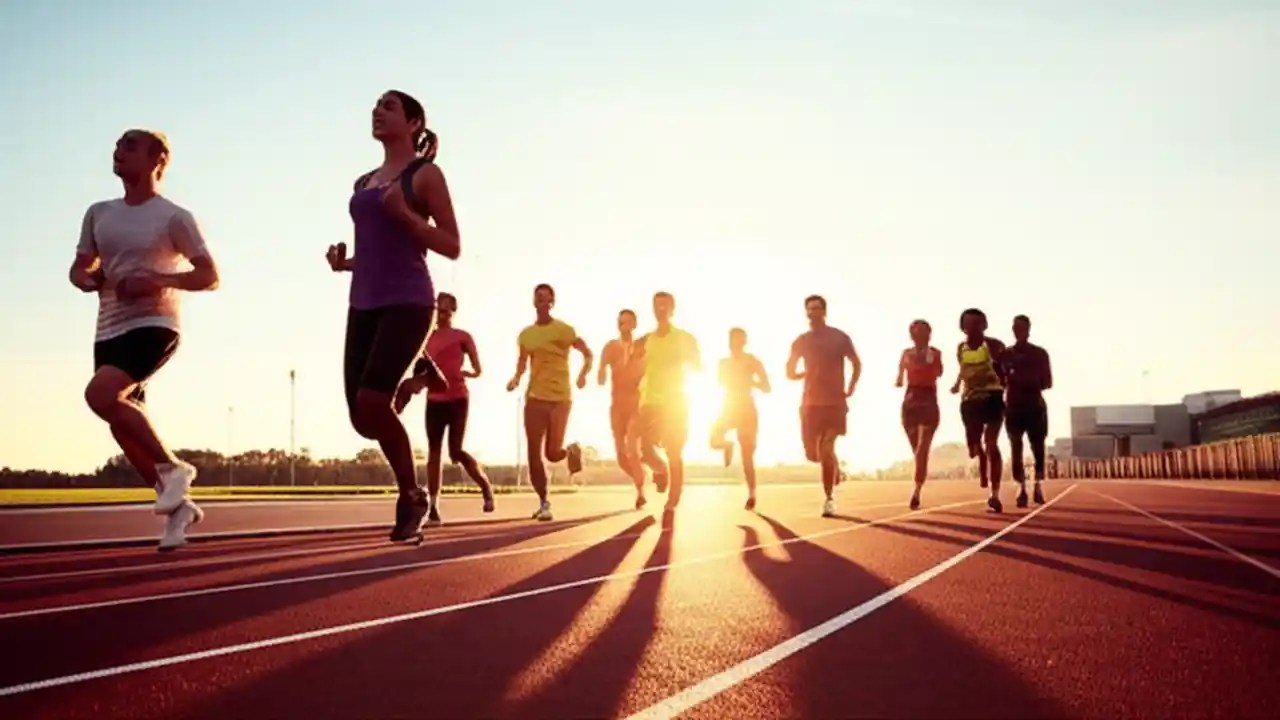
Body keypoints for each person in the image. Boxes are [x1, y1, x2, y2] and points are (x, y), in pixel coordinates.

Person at [69, 129, 220, 552]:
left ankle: (174, 471)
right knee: (123, 424)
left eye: (129, 146)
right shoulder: (99, 212)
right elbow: (80, 266)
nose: (118, 151)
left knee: (100, 395)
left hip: (156, 323)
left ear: (158, 160)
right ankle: (177, 510)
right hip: (109, 327)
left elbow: (209, 275)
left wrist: (156, 280)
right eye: (116, 145)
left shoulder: (174, 217)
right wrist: (86, 279)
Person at [325, 90, 457, 542]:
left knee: (372, 403)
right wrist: (346, 264)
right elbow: (376, 252)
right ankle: (419, 370)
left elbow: (451, 244)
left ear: (415, 123)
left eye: (389, 107)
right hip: (364, 300)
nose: (377, 111)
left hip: (409, 300)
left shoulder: (424, 175)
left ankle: (412, 496)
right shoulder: (363, 182)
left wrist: (405, 216)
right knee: (361, 419)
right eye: (375, 105)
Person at [396, 292, 495, 525]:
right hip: (435, 401)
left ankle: (486, 488)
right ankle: (433, 507)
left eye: (447, 310)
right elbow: (417, 372)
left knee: (456, 451)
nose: (442, 314)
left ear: (453, 311)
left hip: (458, 399)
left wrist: (468, 373)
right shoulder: (425, 338)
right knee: (434, 453)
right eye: (439, 309)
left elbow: (478, 369)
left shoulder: (463, 337)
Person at [507, 283, 591, 521]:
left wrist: (584, 373)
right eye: (539, 297)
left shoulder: (564, 330)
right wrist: (515, 379)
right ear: (534, 302)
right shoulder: (526, 335)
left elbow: (587, 353)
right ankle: (544, 502)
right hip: (534, 397)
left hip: (560, 398)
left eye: (547, 298)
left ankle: (571, 450)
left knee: (553, 453)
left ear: (552, 302)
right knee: (534, 454)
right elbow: (522, 362)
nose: (543, 301)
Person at [786, 295, 861, 517]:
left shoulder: (839, 337)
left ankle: (829, 499)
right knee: (814, 454)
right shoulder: (801, 341)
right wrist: (802, 373)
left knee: (826, 448)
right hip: (810, 404)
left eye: (817, 309)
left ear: (824, 311)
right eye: (809, 309)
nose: (813, 313)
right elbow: (789, 372)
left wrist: (851, 386)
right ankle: (834, 466)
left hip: (835, 402)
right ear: (805, 313)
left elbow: (856, 363)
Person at [634, 291, 701, 511]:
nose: (660, 309)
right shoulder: (646, 340)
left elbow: (698, 365)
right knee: (643, 449)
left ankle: (673, 498)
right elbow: (637, 367)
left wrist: (693, 361)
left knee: (674, 449)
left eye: (665, 306)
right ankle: (660, 469)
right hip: (650, 400)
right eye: (657, 306)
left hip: (676, 401)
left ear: (672, 309)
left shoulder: (684, 338)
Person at [950, 308, 1007, 513]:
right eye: (968, 324)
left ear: (984, 325)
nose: (972, 328)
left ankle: (995, 494)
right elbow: (963, 368)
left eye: (977, 323)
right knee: (974, 447)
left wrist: (1004, 383)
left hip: (993, 397)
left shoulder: (995, 345)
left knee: (991, 442)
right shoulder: (961, 348)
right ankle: (978, 452)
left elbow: (1005, 369)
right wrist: (957, 384)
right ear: (962, 327)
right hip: (970, 400)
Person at [710, 328, 770, 510]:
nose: (734, 344)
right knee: (713, 439)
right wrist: (736, 381)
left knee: (747, 455)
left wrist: (751, 382)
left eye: (738, 340)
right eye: (731, 340)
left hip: (746, 408)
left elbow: (767, 387)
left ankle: (752, 494)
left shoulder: (753, 361)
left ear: (744, 342)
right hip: (729, 406)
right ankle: (727, 445)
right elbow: (721, 382)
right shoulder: (723, 363)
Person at [598, 309, 648, 509]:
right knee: (621, 456)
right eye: (620, 323)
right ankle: (642, 476)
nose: (624, 326)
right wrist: (601, 371)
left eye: (627, 322)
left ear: (634, 325)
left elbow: (649, 372)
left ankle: (640, 492)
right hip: (617, 404)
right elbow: (601, 373)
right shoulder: (610, 347)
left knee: (632, 448)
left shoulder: (643, 348)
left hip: (637, 404)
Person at [1003, 314, 1052, 507]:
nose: (1018, 331)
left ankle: (1038, 484)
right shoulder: (1005, 355)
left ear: (1028, 329)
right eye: (1015, 327)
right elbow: (999, 379)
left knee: (1038, 446)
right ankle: (1021, 487)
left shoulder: (1040, 354)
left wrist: (1023, 380)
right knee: (1016, 447)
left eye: (1021, 327)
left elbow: (1048, 382)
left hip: (1034, 405)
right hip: (1013, 406)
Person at [896, 319, 943, 510]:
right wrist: (899, 378)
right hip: (910, 404)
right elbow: (900, 377)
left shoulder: (935, 353)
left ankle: (916, 490)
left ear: (929, 335)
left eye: (923, 333)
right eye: (915, 334)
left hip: (928, 401)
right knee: (917, 450)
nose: (919, 337)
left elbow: (937, 371)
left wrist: (926, 361)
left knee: (922, 449)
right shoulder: (906, 354)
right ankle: (920, 475)